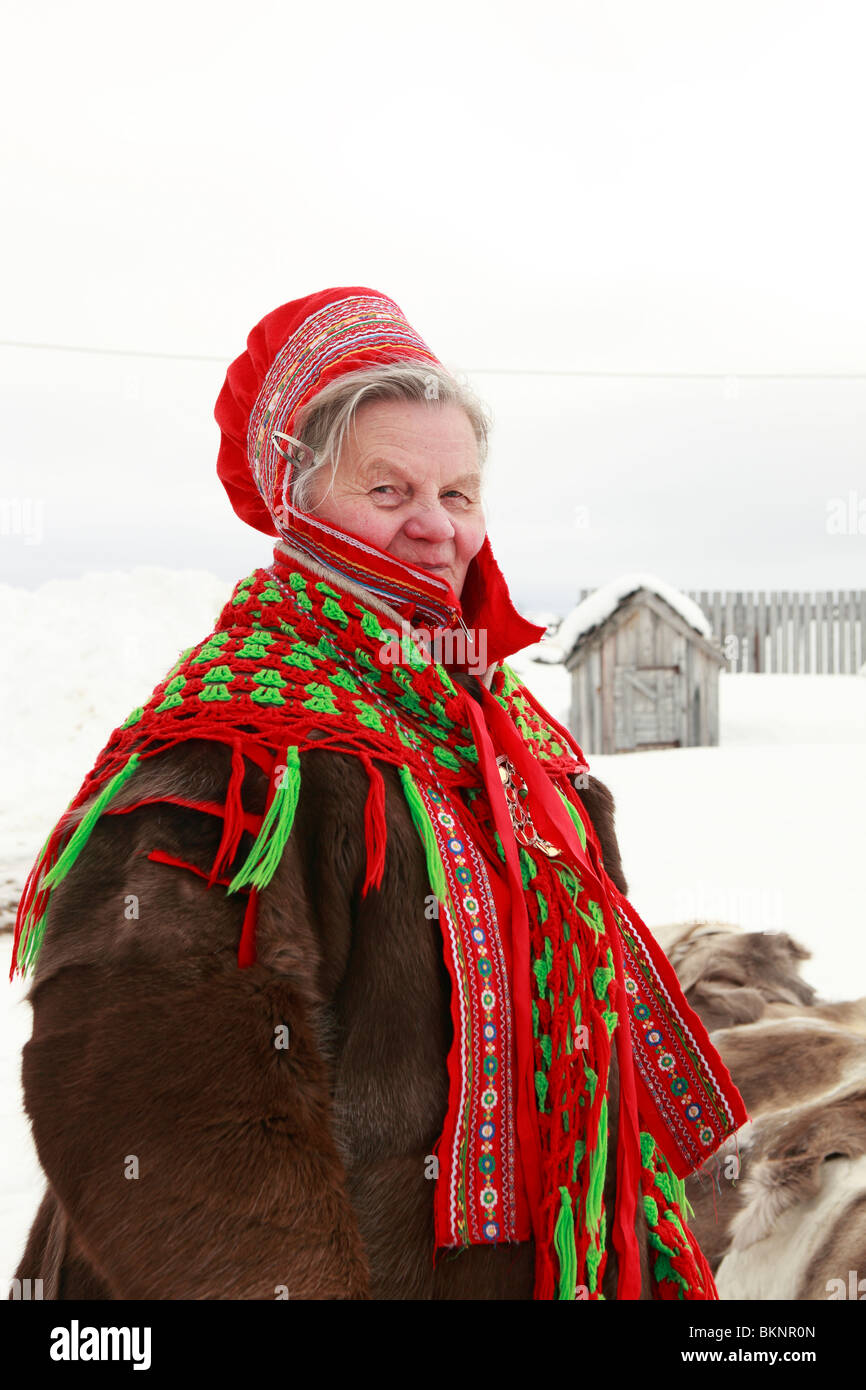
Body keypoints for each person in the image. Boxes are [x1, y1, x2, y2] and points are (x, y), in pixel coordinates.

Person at [10, 286, 747, 1300]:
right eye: (389, 490)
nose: (435, 529)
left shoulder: (505, 738)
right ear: (298, 501)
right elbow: (159, 1120)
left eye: (458, 494)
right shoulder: (238, 754)